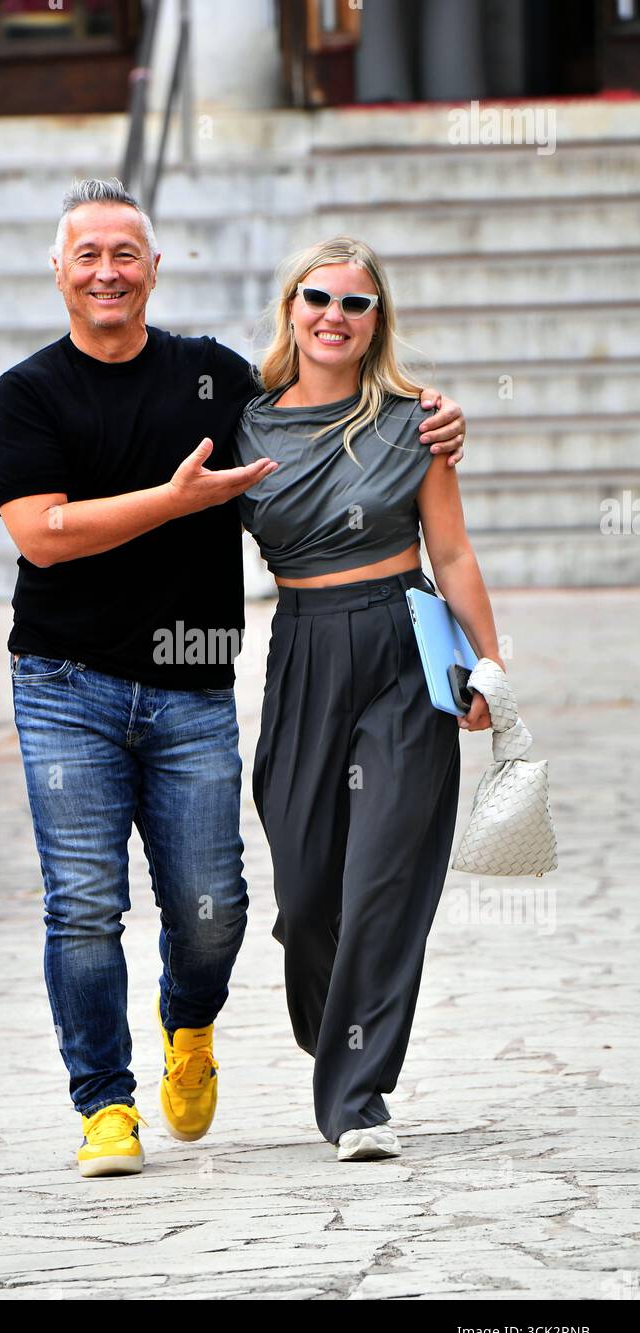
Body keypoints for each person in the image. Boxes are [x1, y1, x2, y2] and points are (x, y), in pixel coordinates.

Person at [0, 179, 467, 1178]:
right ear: (59, 271)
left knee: (213, 911)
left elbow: (322, 414)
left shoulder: (213, 379)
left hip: (193, 683)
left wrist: (430, 413)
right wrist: (171, 500)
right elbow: (43, 534)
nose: (108, 271)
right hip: (63, 682)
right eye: (87, 255)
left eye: (127, 253)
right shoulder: (26, 393)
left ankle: (189, 1026)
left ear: (154, 268)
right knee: (82, 903)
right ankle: (104, 1106)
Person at [235, 235, 503, 1161]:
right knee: (308, 891)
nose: (334, 317)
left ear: (376, 319)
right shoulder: (248, 426)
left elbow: (454, 553)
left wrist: (490, 667)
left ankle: (357, 1100)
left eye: (356, 304)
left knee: (384, 875)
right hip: (303, 650)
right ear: (291, 308)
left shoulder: (415, 423)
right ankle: (336, 1034)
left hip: (401, 644)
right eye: (319, 298)